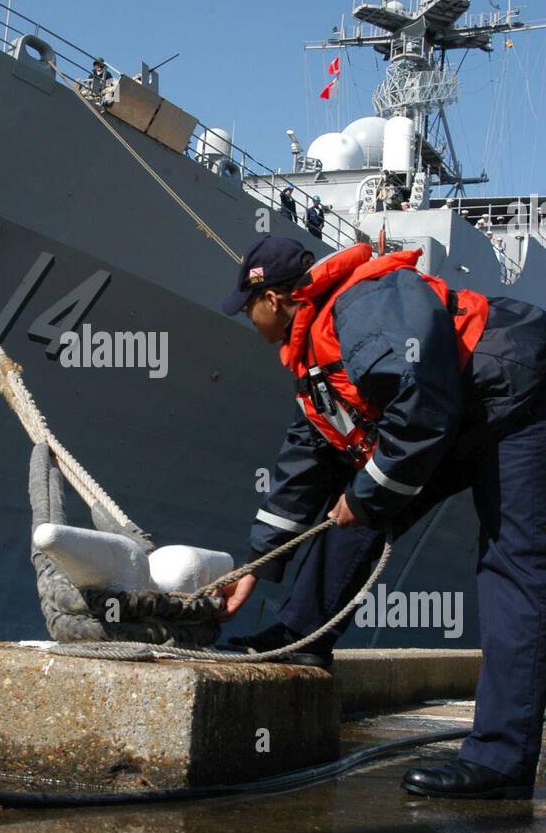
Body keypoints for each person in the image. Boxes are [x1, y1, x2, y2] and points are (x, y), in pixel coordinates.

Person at [218, 234, 546, 800]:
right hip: (458, 410)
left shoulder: (363, 309)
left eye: (247, 306)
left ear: (272, 299)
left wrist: (369, 495)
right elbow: (308, 462)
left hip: (518, 393)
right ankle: (302, 634)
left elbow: (421, 401)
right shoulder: (314, 352)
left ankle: (501, 759)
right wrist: (256, 562)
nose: (247, 318)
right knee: (357, 507)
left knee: (511, 567)